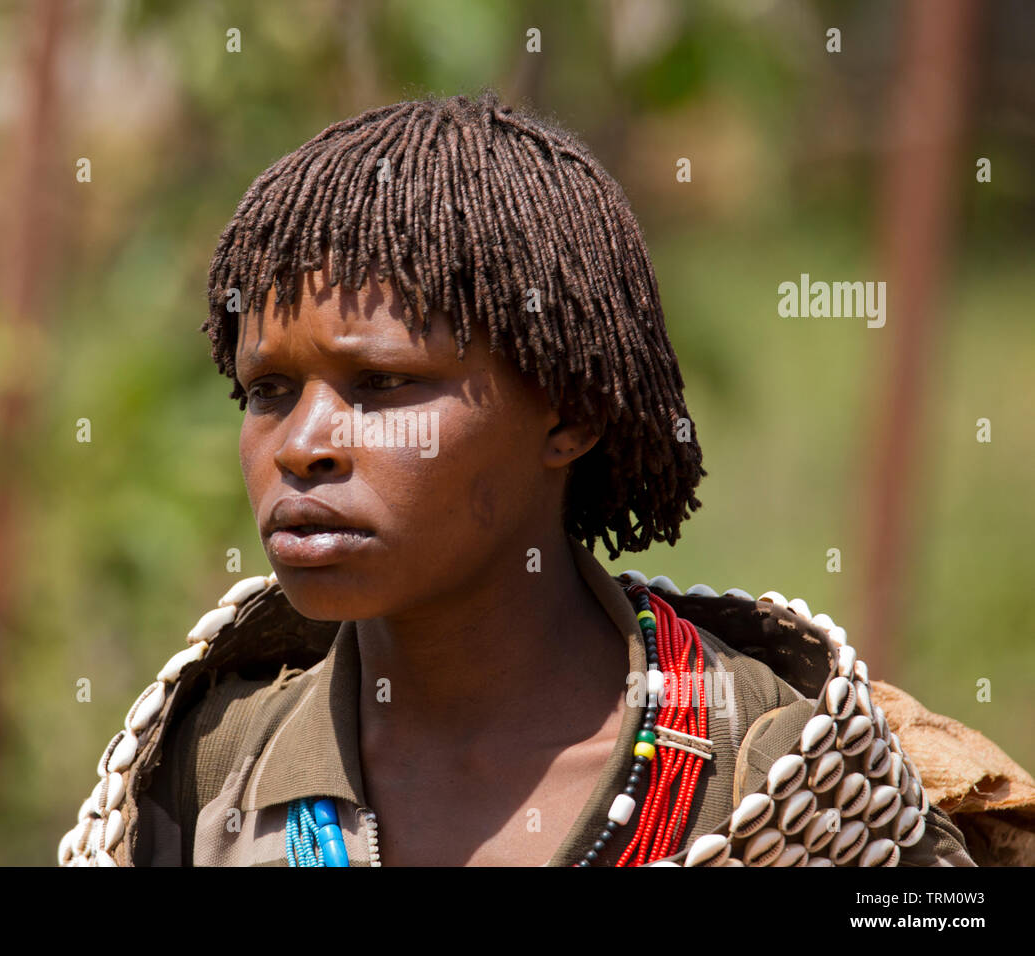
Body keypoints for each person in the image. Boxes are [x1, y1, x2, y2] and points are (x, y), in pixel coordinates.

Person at [59, 90, 1034, 867]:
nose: (303, 443)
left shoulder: (778, 777)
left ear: (567, 411)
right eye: (266, 389)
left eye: (383, 383)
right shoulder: (206, 768)